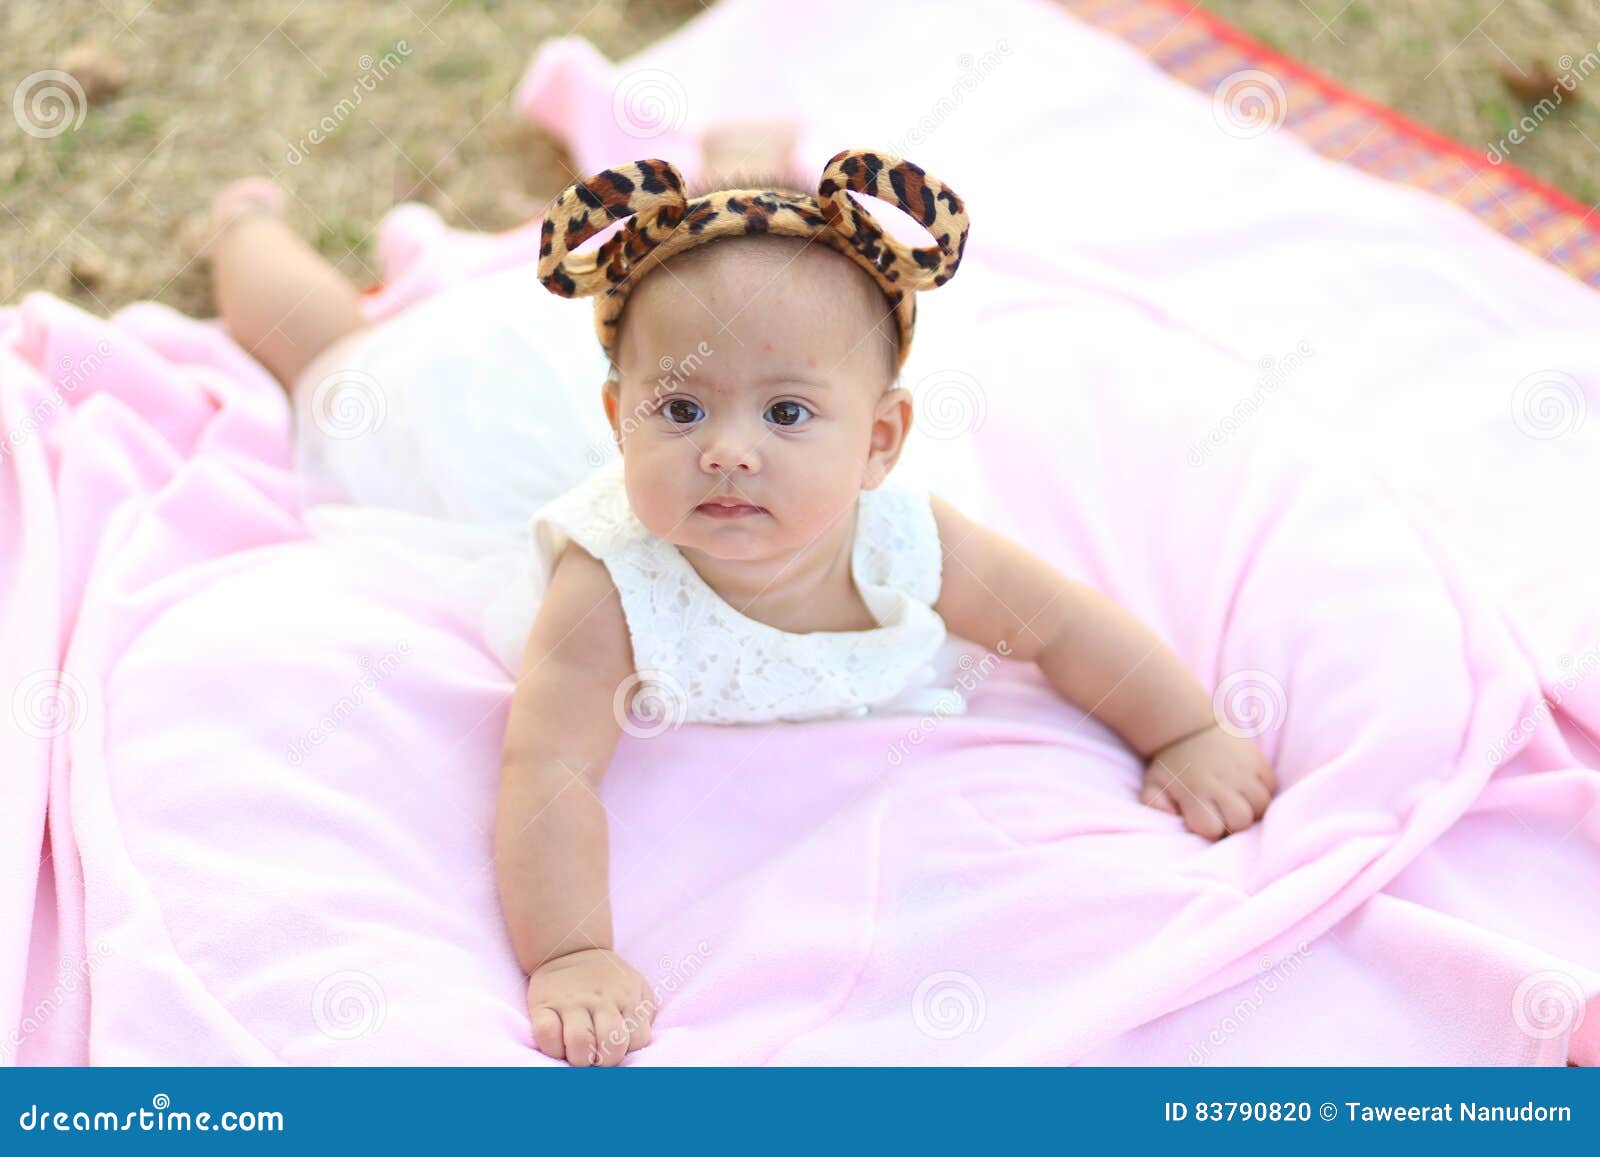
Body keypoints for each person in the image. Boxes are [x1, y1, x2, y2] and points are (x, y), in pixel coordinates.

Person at [203, 126, 1277, 1069]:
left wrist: (1180, 729)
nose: (726, 453)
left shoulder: (908, 536)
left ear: (881, 441)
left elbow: (1062, 624)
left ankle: (739, 168)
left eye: (790, 416)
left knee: (750, 287)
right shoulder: (607, 584)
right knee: (348, 375)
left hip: (721, 359)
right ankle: (243, 229)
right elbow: (551, 766)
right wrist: (572, 948)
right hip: (481, 439)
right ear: (621, 418)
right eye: (677, 412)